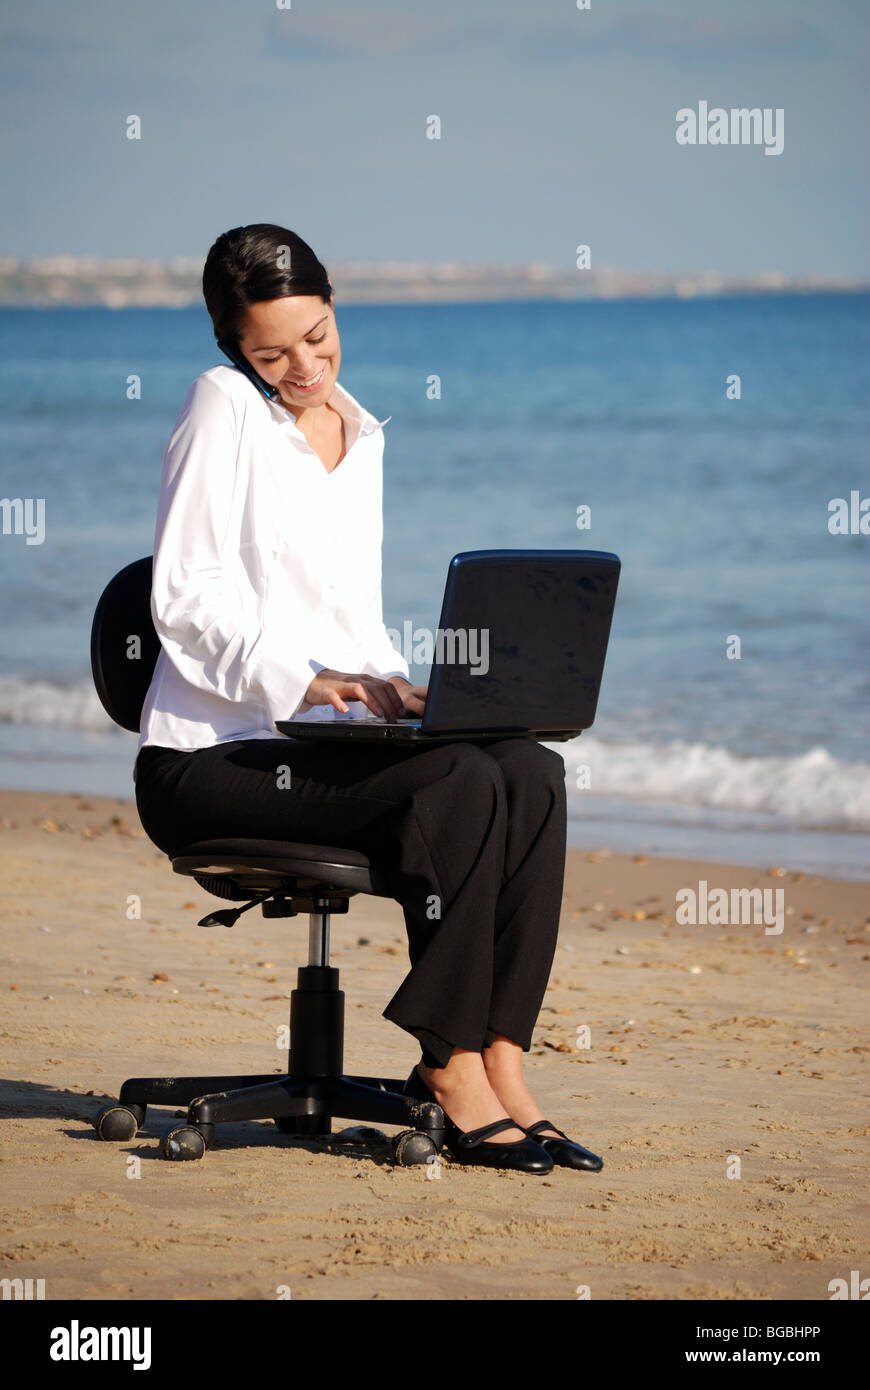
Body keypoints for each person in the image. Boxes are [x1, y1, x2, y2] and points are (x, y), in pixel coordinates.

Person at [133, 223, 602, 1175]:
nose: (303, 365)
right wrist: (299, 679)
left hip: (320, 745)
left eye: (318, 336)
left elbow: (347, 619)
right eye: (273, 351)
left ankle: (503, 1056)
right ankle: (448, 1065)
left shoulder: (363, 430)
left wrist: (396, 686)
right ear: (235, 349)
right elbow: (183, 597)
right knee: (461, 785)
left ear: (335, 308)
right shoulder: (221, 407)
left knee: (529, 770)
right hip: (212, 758)